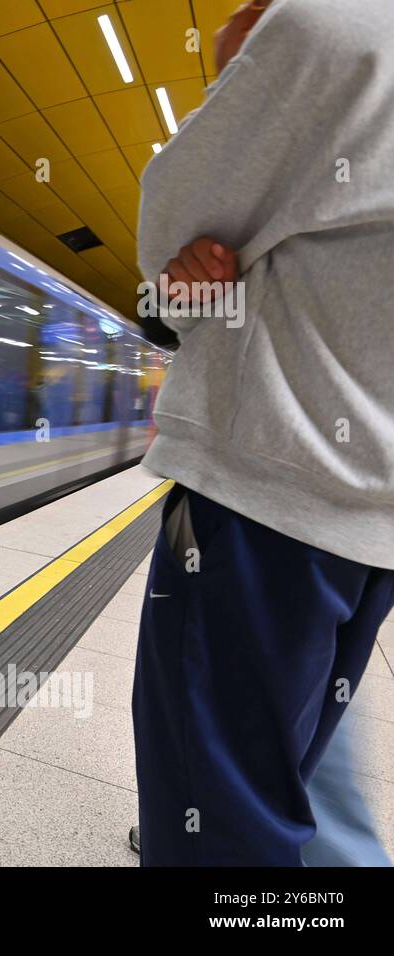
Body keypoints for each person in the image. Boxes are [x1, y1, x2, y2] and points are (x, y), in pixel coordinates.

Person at [130, 0, 394, 866]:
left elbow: (175, 230)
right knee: (275, 794)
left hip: (258, 497)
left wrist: (243, 66)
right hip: (367, 529)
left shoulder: (331, 28)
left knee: (221, 835)